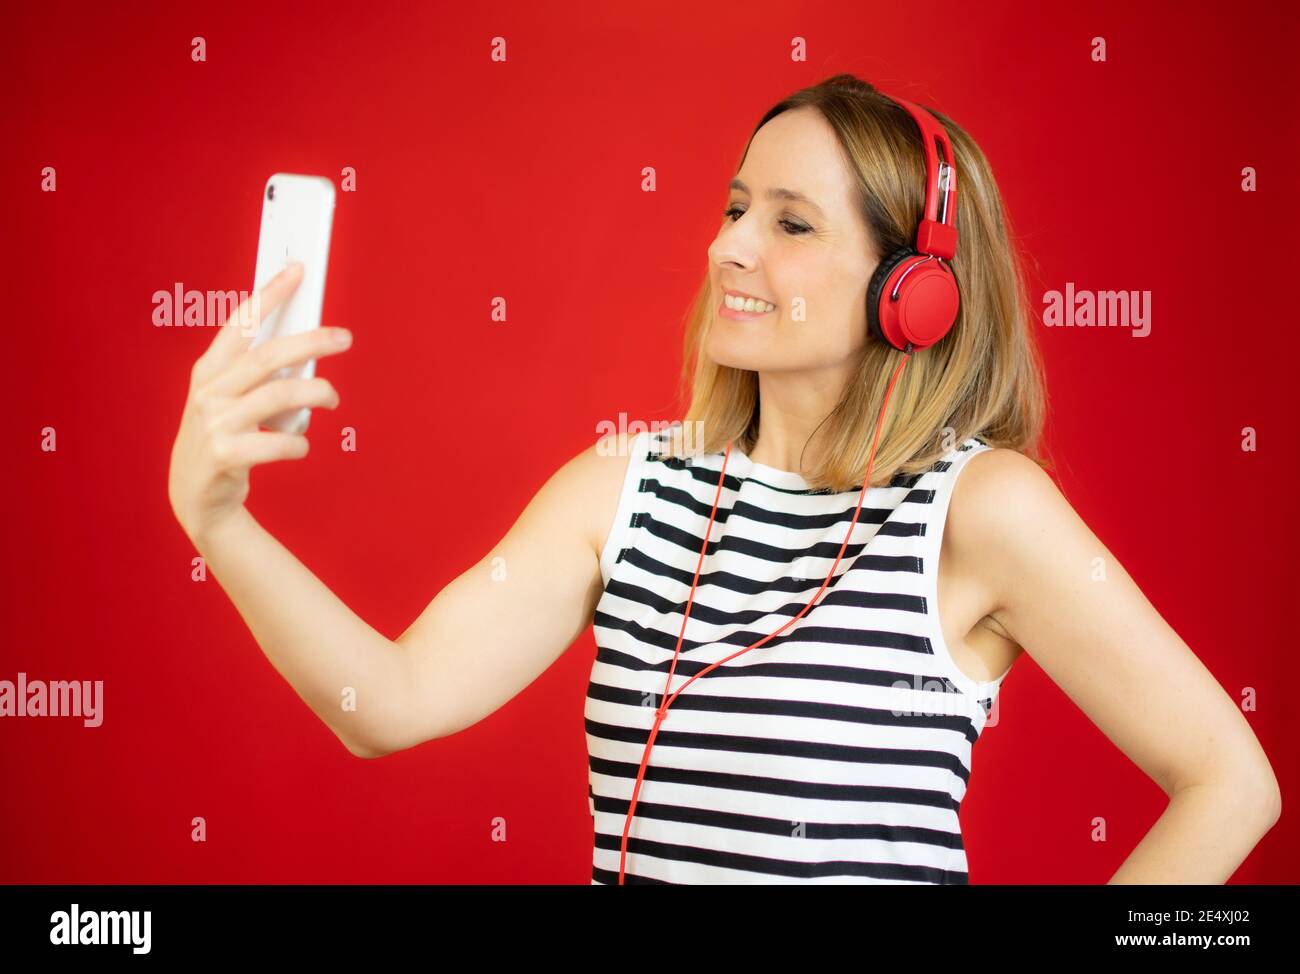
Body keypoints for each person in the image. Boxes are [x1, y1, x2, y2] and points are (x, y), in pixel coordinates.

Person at [167, 74, 1280, 885]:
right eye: (736, 205)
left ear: (916, 291)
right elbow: (391, 705)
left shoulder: (980, 512)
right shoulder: (621, 489)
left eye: (791, 223)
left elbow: (1232, 782)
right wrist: (217, 519)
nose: (730, 246)